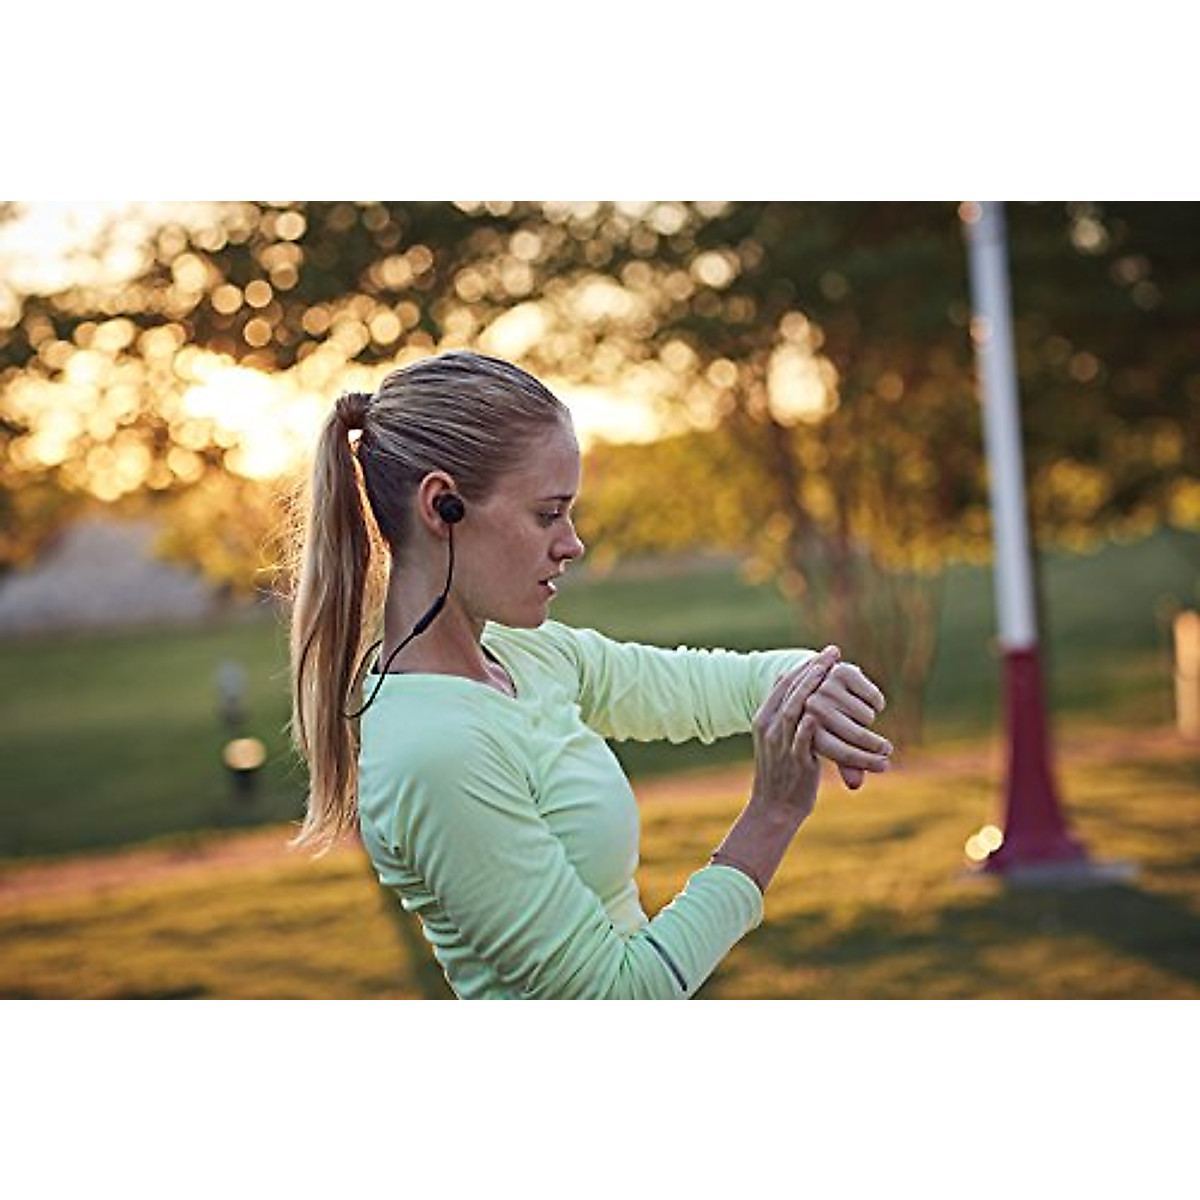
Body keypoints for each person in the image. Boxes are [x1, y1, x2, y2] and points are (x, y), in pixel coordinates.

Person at [288, 349, 892, 999]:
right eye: (548, 514)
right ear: (444, 507)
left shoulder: (526, 656)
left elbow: (694, 688)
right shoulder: (440, 753)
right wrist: (771, 815)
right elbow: (612, 996)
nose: (572, 542)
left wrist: (812, 680)